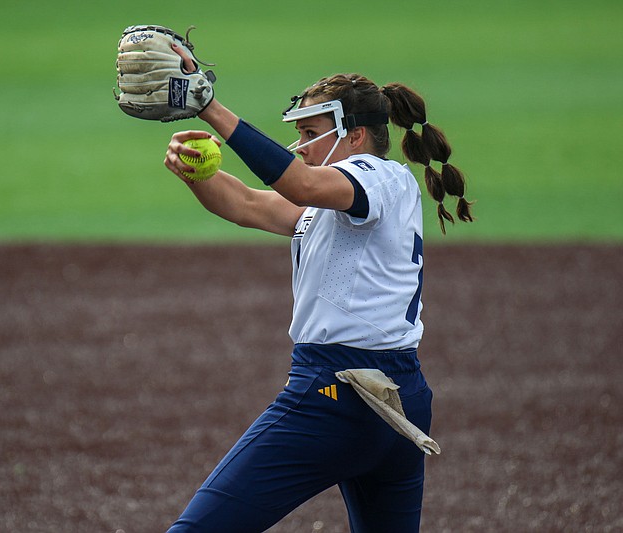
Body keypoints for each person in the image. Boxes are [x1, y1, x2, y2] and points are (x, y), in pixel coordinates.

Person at [162, 68, 473, 532]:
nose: (300, 147)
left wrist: (210, 109)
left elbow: (299, 185)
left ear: (356, 136)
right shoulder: (348, 199)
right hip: (401, 398)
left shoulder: (375, 176)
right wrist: (197, 172)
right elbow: (249, 203)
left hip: (334, 397)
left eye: (310, 133)